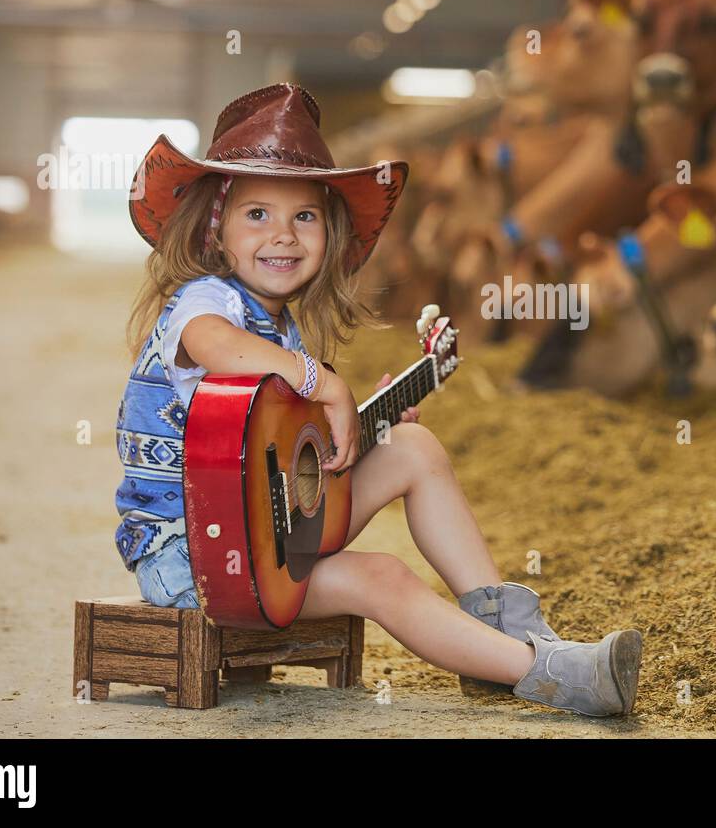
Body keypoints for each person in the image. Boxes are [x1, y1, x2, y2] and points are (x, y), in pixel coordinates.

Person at [113, 83, 643, 717]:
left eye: (303, 217)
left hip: (269, 526)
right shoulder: (206, 301)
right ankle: (549, 675)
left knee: (411, 446)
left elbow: (277, 447)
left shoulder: (282, 330)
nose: (282, 235)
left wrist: (364, 426)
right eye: (257, 214)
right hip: (195, 555)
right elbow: (215, 347)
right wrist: (323, 382)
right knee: (383, 577)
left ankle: (504, 628)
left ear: (329, 234)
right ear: (213, 228)